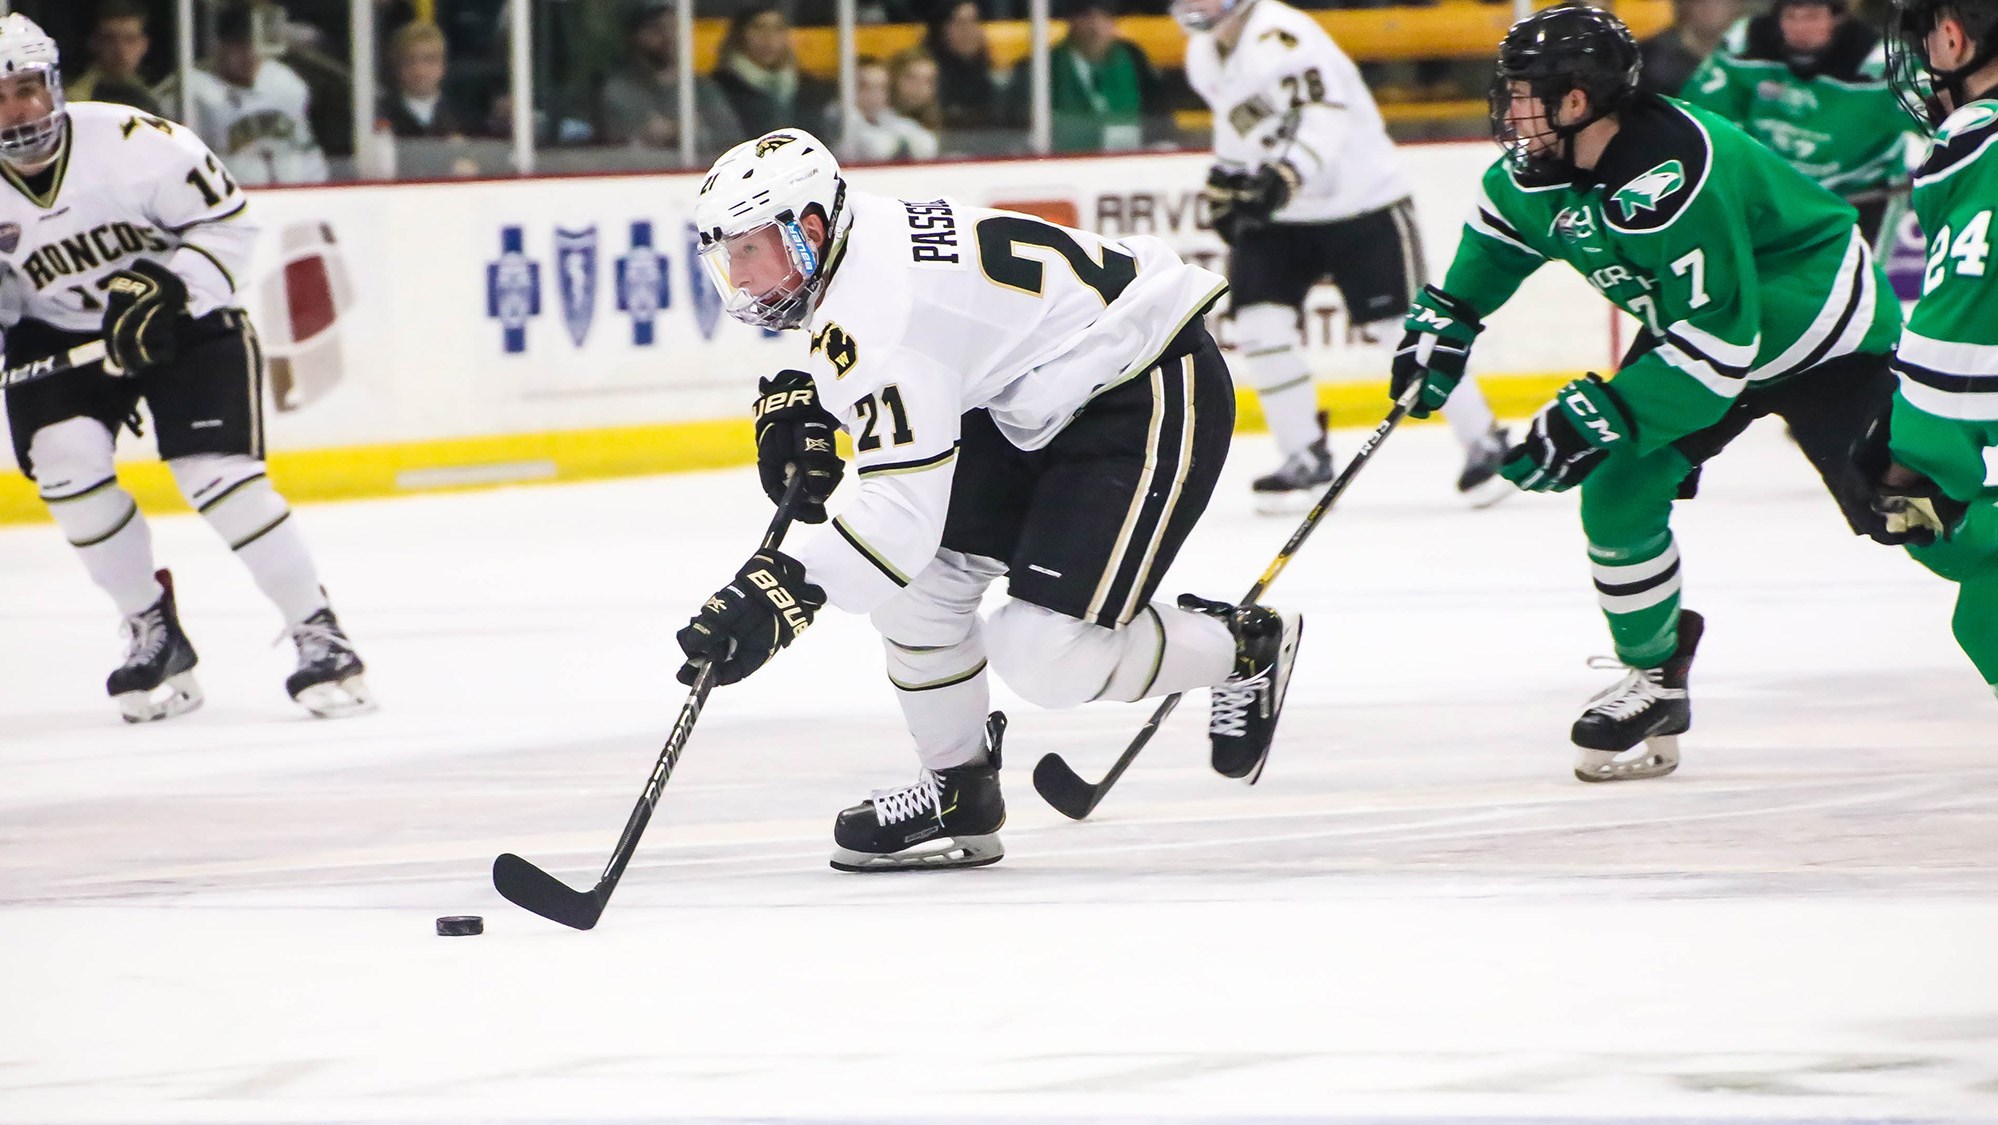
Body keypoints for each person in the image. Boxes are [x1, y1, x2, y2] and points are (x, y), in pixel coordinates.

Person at [678, 129, 1304, 871]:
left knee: (1045, 657)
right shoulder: (856, 233)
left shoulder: (880, 311)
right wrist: (818, 403)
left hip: (1140, 390)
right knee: (915, 596)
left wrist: (789, 589)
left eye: (753, 250)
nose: (743, 279)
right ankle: (958, 792)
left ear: (808, 229)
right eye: (732, 257)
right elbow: (939, 345)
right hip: (1034, 400)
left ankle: (1242, 648)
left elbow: (898, 520)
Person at [1393, 3, 1904, 780]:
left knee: (1907, 507)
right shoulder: (1541, 166)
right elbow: (1501, 238)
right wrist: (1449, 319)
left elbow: (1720, 347)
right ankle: (1656, 677)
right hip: (1704, 319)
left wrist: (1611, 413)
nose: (1511, 107)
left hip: (1813, 326)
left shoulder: (1668, 176)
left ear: (1580, 99)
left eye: (1528, 91)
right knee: (1618, 487)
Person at [0, 15, 371, 722]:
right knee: (64, 460)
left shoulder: (135, 144)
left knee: (217, 475)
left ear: (53, 85)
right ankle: (152, 628)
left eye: (25, 89)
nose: (16, 111)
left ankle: (318, 630)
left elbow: (228, 224)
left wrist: (173, 286)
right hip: (61, 331)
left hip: (185, 322)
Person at [1176, 0, 1512, 510]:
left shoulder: (1283, 38)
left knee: (1401, 330)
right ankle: (1302, 455)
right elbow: (1238, 123)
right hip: (1283, 217)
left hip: (1361, 202)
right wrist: (1228, 177)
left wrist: (1285, 176)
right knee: (1258, 327)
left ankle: (1484, 440)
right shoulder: (1203, 53)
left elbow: (1324, 118)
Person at [1849, 0, 1998, 697]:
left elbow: (1964, 325)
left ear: (1955, 34)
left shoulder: (1976, 141)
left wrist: (1911, 451)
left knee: (1988, 609)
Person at [1680, 0, 1916, 245]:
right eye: (1791, 16)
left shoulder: (1883, 61)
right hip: (1769, 197)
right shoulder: (1745, 43)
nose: (1800, 27)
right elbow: (1700, 113)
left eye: (1812, 17)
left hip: (1860, 195)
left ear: (1837, 18)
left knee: (1861, 280)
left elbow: (1937, 113)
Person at [157, 3, 329, 186]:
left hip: (295, 197)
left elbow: (307, 151)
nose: (251, 54)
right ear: (219, 46)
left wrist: (315, 189)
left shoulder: (285, 83)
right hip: (227, 203)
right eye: (240, 45)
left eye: (257, 44)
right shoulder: (189, 92)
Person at [596, 0, 742, 160]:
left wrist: (678, 132)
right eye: (657, 29)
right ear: (636, 36)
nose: (669, 36)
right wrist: (684, 130)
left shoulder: (701, 86)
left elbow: (731, 140)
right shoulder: (619, 89)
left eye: (674, 27)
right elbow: (621, 149)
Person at [1049, 0, 1167, 153]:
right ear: (1070, 22)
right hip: (1068, 163)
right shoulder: (1044, 66)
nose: (1096, 27)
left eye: (1104, 17)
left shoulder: (1134, 58)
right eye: (1086, 17)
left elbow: (1161, 121)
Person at [710, 5, 835, 141]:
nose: (768, 38)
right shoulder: (720, 87)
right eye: (758, 27)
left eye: (778, 28)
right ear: (740, 34)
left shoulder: (812, 87)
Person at [926, 1, 1012, 138]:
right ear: (942, 29)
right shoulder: (930, 74)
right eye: (959, 23)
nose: (968, 31)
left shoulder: (994, 72)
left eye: (974, 21)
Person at [377, 21, 474, 139]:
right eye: (409, 61)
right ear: (397, 66)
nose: (419, 71)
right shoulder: (380, 115)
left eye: (429, 60)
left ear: (442, 65)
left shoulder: (464, 117)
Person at [835, 55, 938, 162]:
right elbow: (875, 148)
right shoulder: (837, 119)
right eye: (865, 86)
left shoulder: (886, 117)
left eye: (881, 87)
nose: (874, 94)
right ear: (845, 87)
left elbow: (925, 142)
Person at [71, 0, 163, 115]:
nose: (120, 50)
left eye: (130, 39)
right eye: (110, 39)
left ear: (144, 45)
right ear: (93, 42)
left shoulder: (157, 98)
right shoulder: (74, 103)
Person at [1637, 0, 1742, 96]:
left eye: (1725, 2)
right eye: (1702, 2)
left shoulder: (1740, 59)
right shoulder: (1648, 58)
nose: (1712, 7)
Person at [888, 47, 946, 140]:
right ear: (893, 79)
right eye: (911, 78)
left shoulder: (942, 125)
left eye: (928, 81)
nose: (919, 87)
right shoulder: (875, 121)